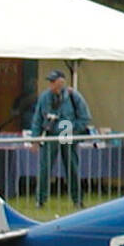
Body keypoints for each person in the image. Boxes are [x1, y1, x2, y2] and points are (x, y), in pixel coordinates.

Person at [31, 70, 90, 207]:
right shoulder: (44, 97)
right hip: (50, 134)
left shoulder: (73, 96)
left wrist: (71, 128)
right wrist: (35, 139)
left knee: (72, 167)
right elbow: (37, 119)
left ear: (62, 82)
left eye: (54, 81)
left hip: (67, 134)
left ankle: (77, 199)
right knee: (45, 168)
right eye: (50, 81)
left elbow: (85, 117)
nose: (51, 84)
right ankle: (40, 200)